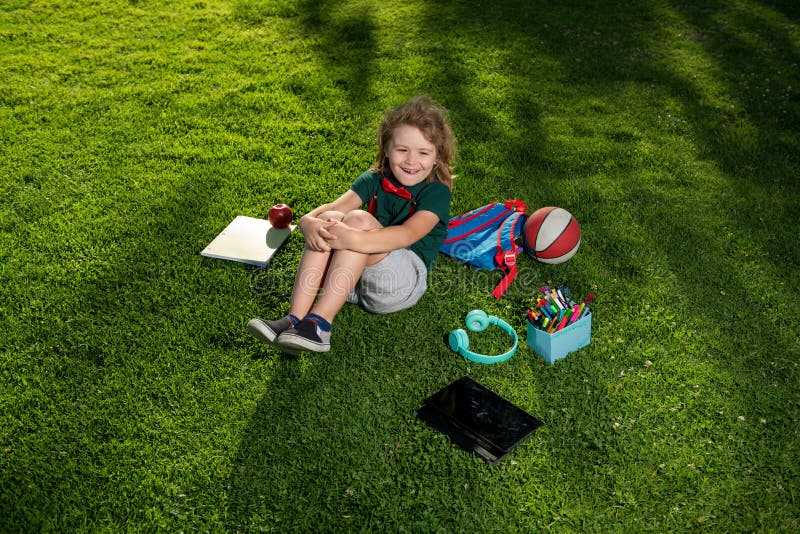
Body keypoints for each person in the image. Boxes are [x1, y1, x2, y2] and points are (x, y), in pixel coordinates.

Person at [247, 96, 456, 353]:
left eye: (423, 152)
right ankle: (294, 319)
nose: (412, 161)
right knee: (329, 219)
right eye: (402, 150)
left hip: (401, 283)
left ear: (437, 157)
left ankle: (320, 325)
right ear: (387, 148)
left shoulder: (436, 192)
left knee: (356, 220)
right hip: (352, 283)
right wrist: (307, 222)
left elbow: (406, 234)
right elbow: (333, 209)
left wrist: (352, 238)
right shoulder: (374, 178)